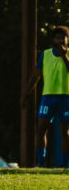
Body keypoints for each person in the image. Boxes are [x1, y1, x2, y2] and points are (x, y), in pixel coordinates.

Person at [26, 26, 69, 167]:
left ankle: (64, 165)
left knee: (65, 133)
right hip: (48, 97)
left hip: (65, 97)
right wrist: (26, 93)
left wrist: (64, 56)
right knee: (40, 130)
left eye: (63, 37)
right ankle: (41, 162)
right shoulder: (45, 54)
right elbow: (36, 75)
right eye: (57, 37)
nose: (60, 40)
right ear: (53, 39)